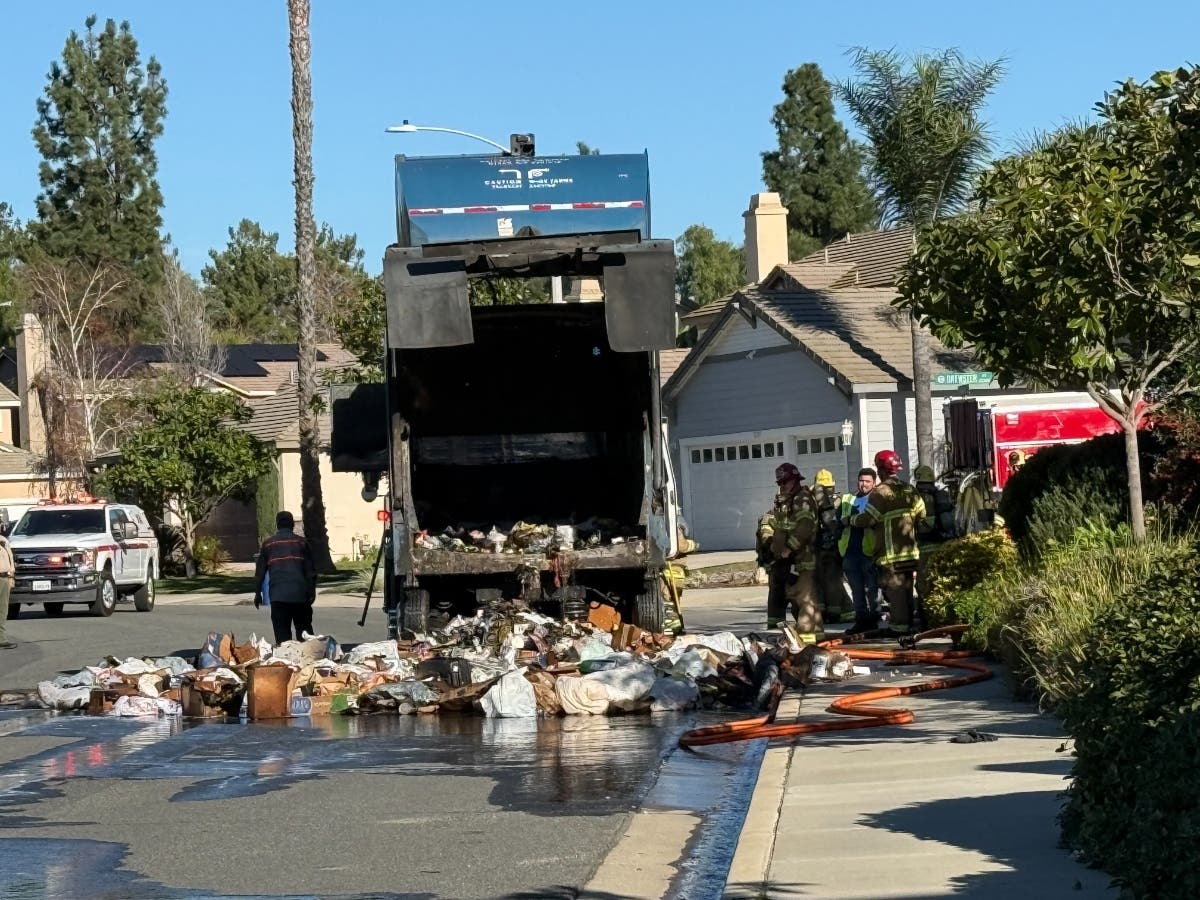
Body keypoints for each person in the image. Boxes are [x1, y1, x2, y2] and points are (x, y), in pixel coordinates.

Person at [851, 450, 926, 635]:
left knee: (896, 591)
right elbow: (922, 515)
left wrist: (851, 520)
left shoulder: (880, 493)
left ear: (880, 470)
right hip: (911, 551)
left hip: (890, 554)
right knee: (907, 589)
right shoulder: (909, 489)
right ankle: (909, 623)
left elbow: (869, 518)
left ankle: (899, 628)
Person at [756, 463, 822, 637]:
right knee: (792, 595)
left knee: (804, 598)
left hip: (802, 558)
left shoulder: (803, 499)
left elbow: (805, 528)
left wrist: (788, 548)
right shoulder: (788, 500)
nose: (782, 487)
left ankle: (808, 638)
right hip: (789, 559)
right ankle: (805, 635)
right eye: (780, 484)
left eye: (785, 483)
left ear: (795, 480)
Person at [254, 511, 317, 645]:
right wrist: (312, 592)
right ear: (293, 524)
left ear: (277, 525)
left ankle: (286, 662)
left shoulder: (268, 545)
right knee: (305, 636)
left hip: (278, 597)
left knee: (283, 638)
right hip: (300, 596)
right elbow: (311, 571)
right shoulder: (302, 543)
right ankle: (309, 662)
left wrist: (257, 593)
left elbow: (260, 572)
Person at [838, 467, 882, 633]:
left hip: (869, 552)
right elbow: (838, 521)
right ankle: (861, 619)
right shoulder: (848, 499)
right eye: (861, 480)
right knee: (856, 590)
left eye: (867, 481)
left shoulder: (877, 499)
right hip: (850, 552)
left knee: (873, 589)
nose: (863, 484)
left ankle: (874, 619)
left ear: (874, 482)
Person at [813, 469, 848, 621]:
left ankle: (831, 613)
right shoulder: (838, 500)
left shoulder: (811, 500)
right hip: (825, 547)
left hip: (828, 547)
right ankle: (832, 612)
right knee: (829, 581)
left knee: (827, 581)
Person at [0, 530, 15, 649]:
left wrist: (11, 577)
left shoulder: (4, 541)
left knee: (3, 610)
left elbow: (10, 559)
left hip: (5, 577)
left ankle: (1, 638)